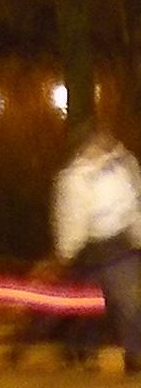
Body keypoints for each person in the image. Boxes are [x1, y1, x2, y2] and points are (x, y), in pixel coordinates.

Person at [54, 116, 141, 374]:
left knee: (127, 302)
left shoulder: (124, 166)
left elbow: (135, 202)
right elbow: (70, 216)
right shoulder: (74, 177)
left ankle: (135, 353)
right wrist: (67, 250)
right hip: (90, 247)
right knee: (88, 304)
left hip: (119, 244)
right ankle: (84, 351)